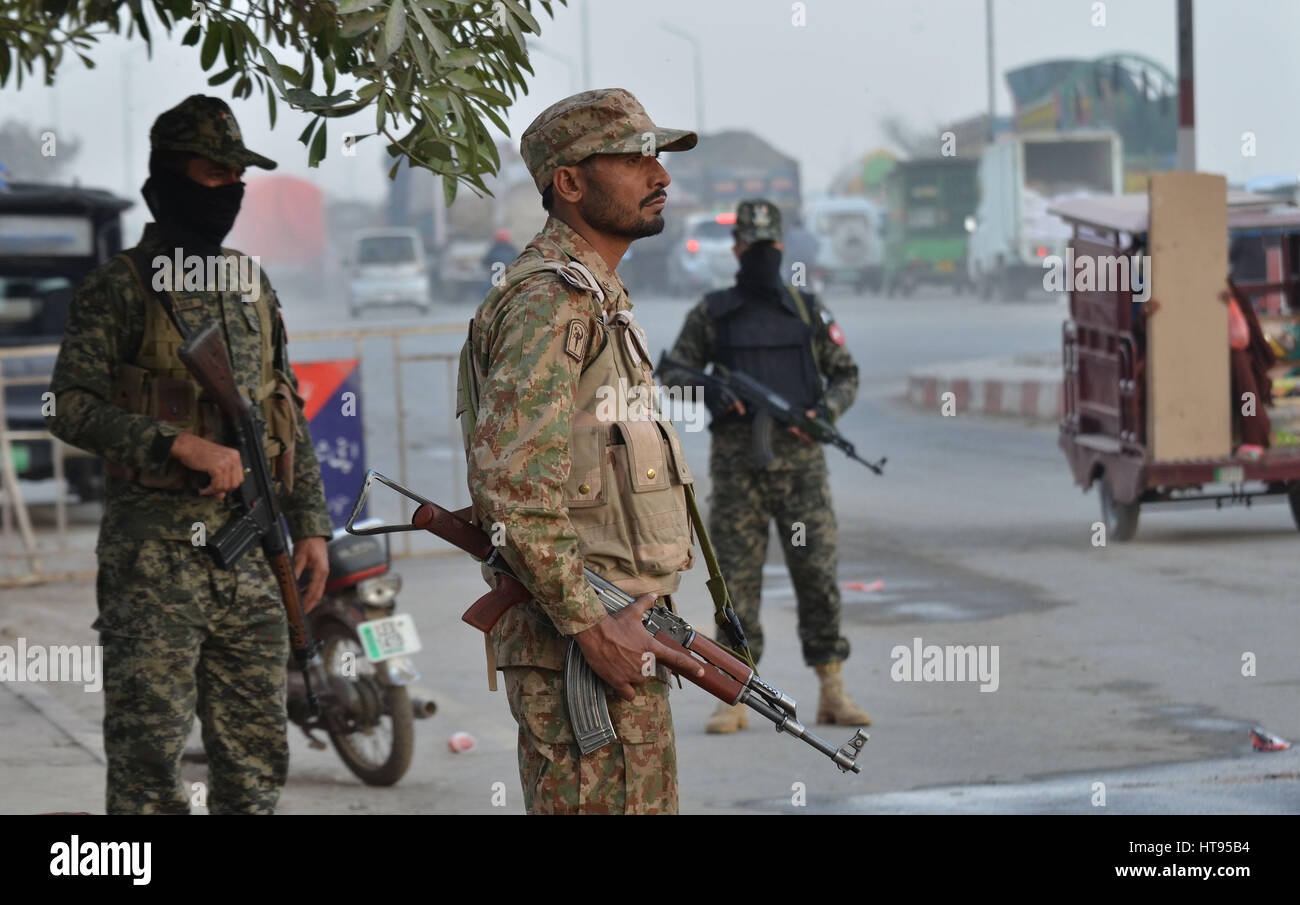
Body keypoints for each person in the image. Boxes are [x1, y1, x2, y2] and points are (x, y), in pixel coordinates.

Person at [46, 95, 333, 814]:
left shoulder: (251, 285)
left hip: (252, 564)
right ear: (168, 181)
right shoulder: (119, 287)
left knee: (257, 756)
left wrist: (314, 527)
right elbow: (70, 406)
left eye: (238, 175)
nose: (229, 190)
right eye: (213, 172)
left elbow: (286, 412)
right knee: (147, 763)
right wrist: (175, 442)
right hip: (155, 566)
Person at [457, 88, 705, 814]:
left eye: (656, 158)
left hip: (614, 633)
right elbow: (511, 482)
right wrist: (591, 626)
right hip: (580, 647)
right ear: (569, 183)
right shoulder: (552, 300)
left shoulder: (598, 296)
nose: (659, 177)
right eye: (634, 159)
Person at [662, 198, 871, 734]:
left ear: (780, 247)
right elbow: (673, 373)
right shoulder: (713, 312)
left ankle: (832, 691)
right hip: (738, 475)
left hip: (802, 472)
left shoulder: (806, 310)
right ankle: (733, 695)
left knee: (817, 576)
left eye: (766, 246)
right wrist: (712, 393)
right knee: (734, 587)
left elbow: (846, 373)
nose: (758, 254)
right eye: (749, 246)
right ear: (737, 249)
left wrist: (823, 413)